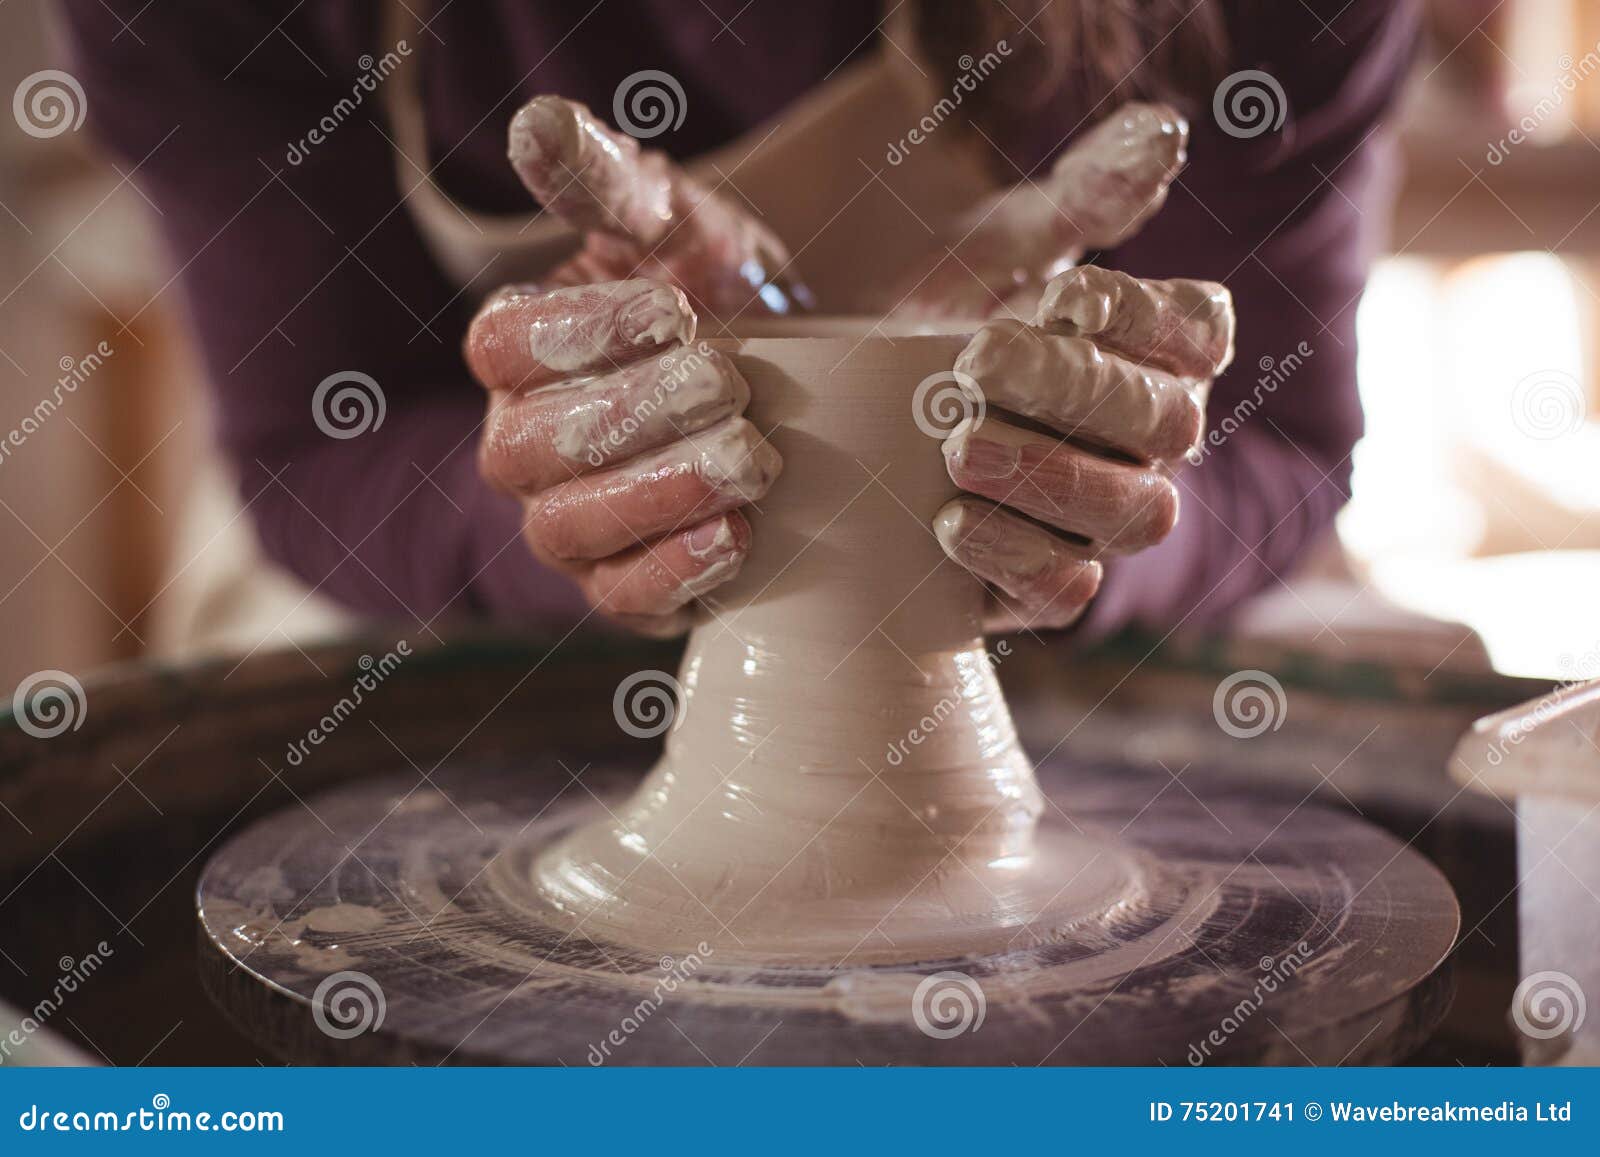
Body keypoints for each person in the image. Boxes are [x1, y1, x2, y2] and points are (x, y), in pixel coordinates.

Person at [62, 0, 1418, 642]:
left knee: (1398, 738)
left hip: (1101, 621)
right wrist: (567, 497)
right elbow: (312, 444)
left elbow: (1286, 443)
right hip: (482, 594)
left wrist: (1086, 522)